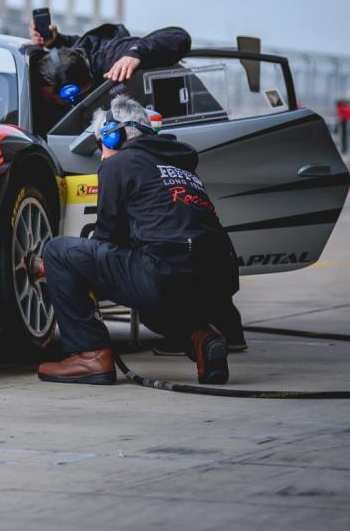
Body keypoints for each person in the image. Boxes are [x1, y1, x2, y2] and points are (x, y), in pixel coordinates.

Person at [35, 96, 238, 386]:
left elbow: (107, 239)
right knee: (152, 311)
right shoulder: (181, 168)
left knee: (58, 252)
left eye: (100, 144)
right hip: (219, 284)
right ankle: (201, 338)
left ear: (112, 135)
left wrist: (62, 273)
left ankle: (90, 355)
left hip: (166, 274)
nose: (101, 154)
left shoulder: (120, 163)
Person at [27, 21, 192, 133]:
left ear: (70, 91)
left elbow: (179, 36)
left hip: (180, 118)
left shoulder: (113, 55)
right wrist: (56, 40)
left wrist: (135, 53)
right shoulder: (75, 54)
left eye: (54, 99)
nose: (52, 104)